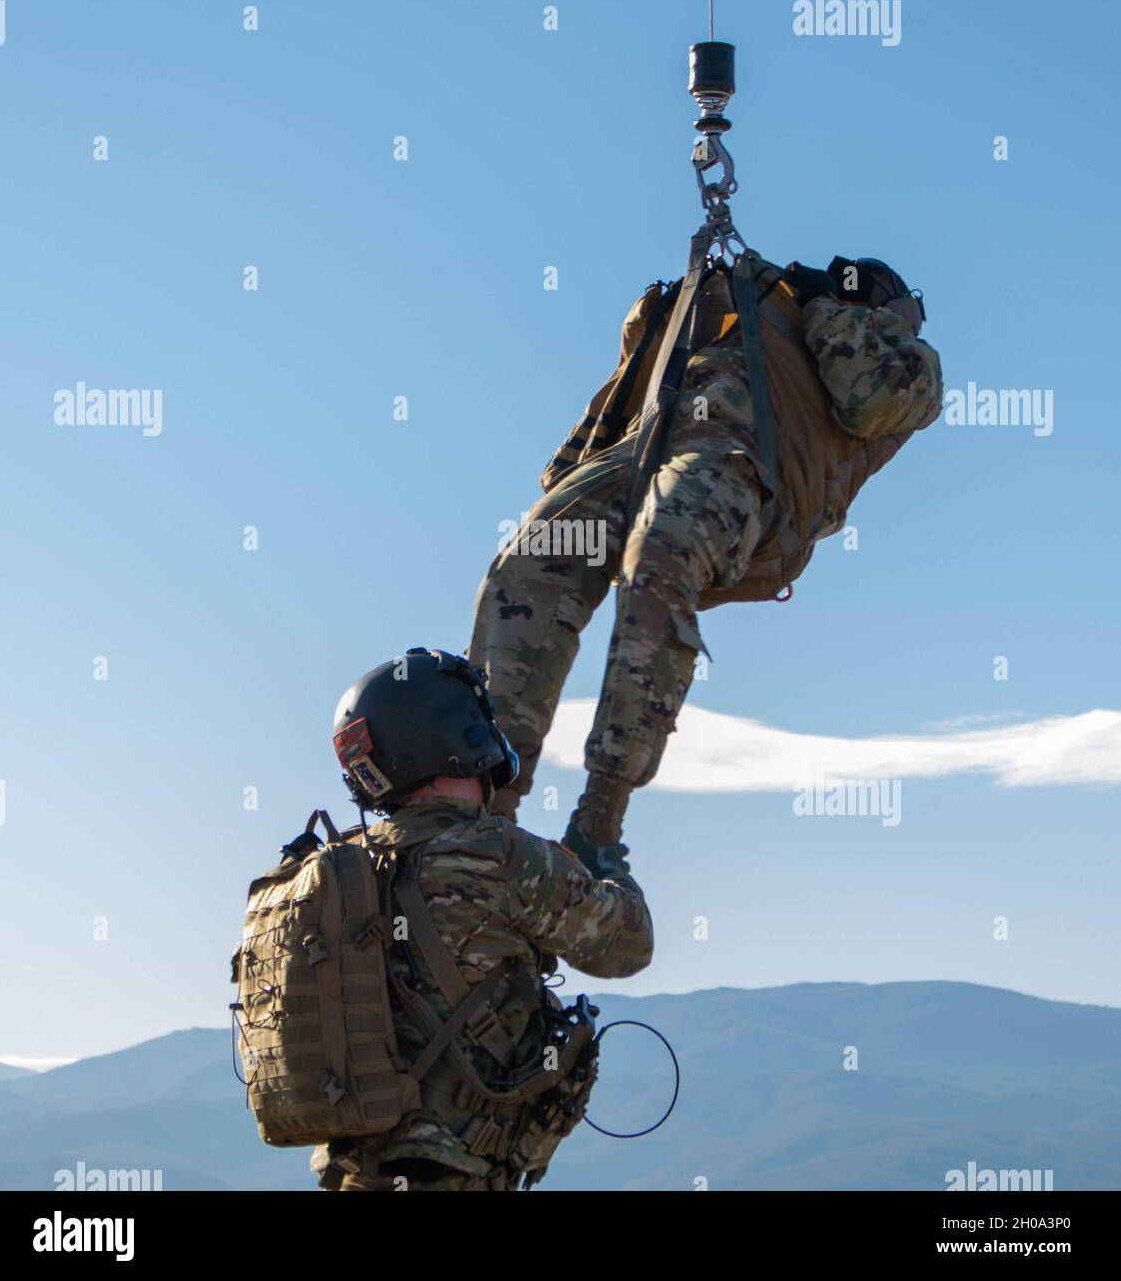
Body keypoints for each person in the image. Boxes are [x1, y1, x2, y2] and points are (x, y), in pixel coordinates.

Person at [468, 254, 943, 844]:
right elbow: (638, 357)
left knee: (660, 558)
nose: (844, 284)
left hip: (740, 462)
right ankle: (481, 808)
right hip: (644, 448)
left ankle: (599, 818)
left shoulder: (908, 361)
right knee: (527, 565)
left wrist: (828, 308)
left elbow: (869, 398)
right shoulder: (757, 307)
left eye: (867, 288)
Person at [312, 646, 653, 1192]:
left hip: (354, 1176)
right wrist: (607, 863)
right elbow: (628, 946)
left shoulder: (335, 872)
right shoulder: (499, 855)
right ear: (462, 735)